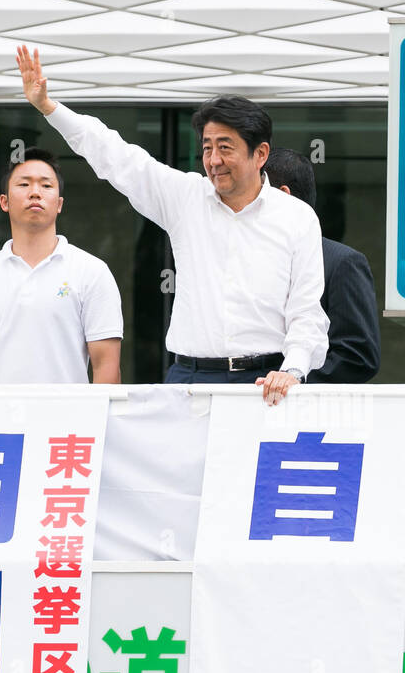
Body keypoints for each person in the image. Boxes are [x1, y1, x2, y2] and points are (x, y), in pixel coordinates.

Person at [16, 46, 327, 405]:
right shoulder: (185, 198)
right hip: (186, 379)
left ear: (260, 154)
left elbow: (307, 311)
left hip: (264, 383)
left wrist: (292, 370)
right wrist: (49, 108)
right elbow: (115, 156)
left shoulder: (296, 217)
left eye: (225, 147)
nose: (213, 160)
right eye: (207, 147)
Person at [0, 146, 123, 385]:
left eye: (46, 186)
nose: (35, 192)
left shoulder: (92, 272)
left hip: (67, 420)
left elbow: (107, 366)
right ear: (4, 202)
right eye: (24, 185)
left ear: (59, 204)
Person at [263, 147, 379, 383]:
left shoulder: (342, 262)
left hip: (303, 410)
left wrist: (294, 379)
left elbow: (358, 356)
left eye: (255, 193)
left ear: (284, 195)